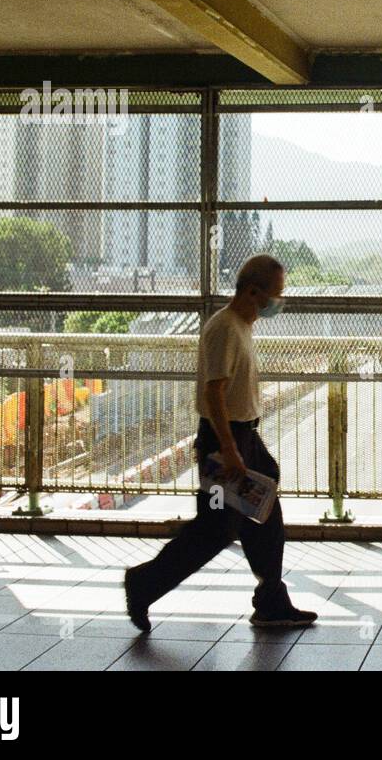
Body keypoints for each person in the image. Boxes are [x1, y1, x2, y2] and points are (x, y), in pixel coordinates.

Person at [124, 254, 316, 631]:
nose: (279, 302)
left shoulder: (243, 325)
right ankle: (143, 584)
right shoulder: (225, 328)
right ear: (252, 291)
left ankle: (272, 600)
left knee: (264, 514)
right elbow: (214, 393)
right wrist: (228, 449)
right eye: (276, 295)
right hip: (224, 439)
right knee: (216, 529)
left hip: (245, 437)